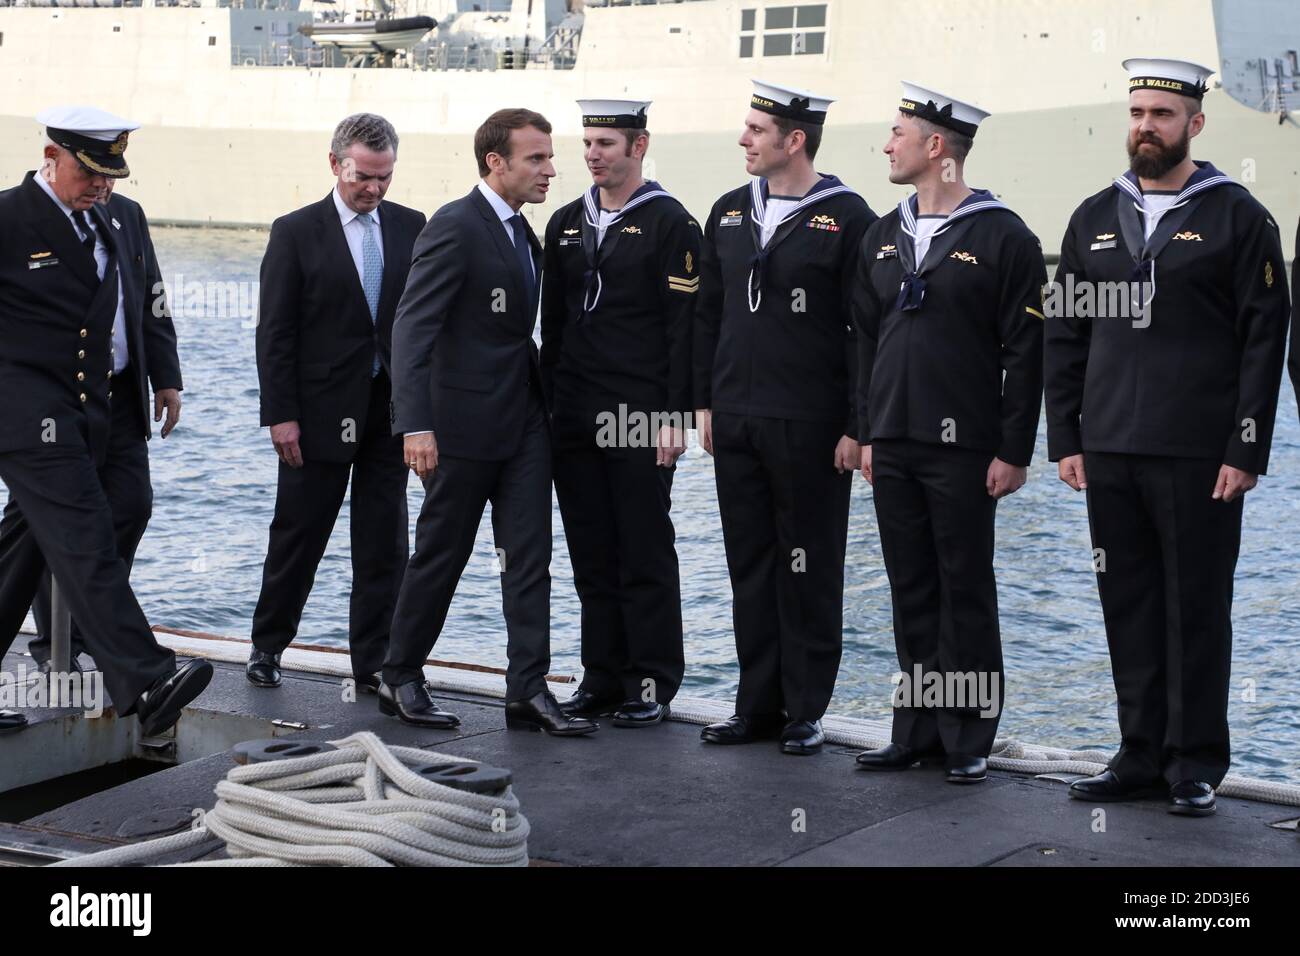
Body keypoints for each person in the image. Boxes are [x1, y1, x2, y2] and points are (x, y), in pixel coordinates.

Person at [1044, 59, 1291, 816]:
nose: (1145, 126)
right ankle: (1138, 755)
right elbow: (1065, 334)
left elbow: (1264, 338)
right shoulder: (1092, 217)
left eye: (1161, 114)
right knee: (1127, 603)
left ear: (1195, 124)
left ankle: (1194, 763)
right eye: (1137, 112)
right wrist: (1066, 439)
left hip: (1198, 455)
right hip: (1110, 448)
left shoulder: (1239, 219)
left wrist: (1245, 449)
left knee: (1196, 609)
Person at [851, 84, 1047, 785]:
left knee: (965, 588)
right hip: (894, 442)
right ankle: (917, 730)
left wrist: (1014, 451)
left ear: (937, 147)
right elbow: (863, 345)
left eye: (898, 132)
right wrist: (865, 433)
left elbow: (1027, 352)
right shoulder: (881, 233)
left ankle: (969, 736)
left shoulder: (1004, 236)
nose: (887, 144)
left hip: (965, 447)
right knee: (910, 587)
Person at [384, 108, 596, 737]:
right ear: (494, 163)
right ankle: (400, 674)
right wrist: (414, 426)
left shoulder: (520, 232)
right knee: (441, 555)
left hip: (524, 421)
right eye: (536, 158)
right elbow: (411, 328)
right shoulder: (455, 225)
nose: (550, 169)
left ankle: (528, 689)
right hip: (458, 428)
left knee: (529, 557)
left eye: (550, 157)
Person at [0, 106, 211, 736]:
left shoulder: (123, 215)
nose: (102, 185)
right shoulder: (8, 220)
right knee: (81, 528)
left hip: (111, 400)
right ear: (51, 156)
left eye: (111, 173)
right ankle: (146, 678)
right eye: (90, 172)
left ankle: (91, 638)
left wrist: (165, 375)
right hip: (31, 406)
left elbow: (150, 297)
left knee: (116, 509)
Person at [694, 81, 877, 755]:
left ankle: (805, 709)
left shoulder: (850, 218)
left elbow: (866, 331)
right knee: (751, 564)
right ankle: (755, 706)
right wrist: (703, 402)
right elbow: (706, 314)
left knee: (809, 565)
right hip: (736, 419)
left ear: (793, 140)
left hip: (810, 423)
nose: (744, 140)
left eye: (755, 130)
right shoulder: (729, 212)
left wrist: (860, 425)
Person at [248, 113, 426, 693]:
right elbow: (275, 333)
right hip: (316, 413)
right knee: (298, 537)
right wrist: (280, 414)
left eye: (385, 177)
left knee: (384, 543)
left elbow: (419, 325)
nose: (374, 189)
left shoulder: (411, 226)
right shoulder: (295, 231)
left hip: (388, 413)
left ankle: (373, 663)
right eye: (363, 178)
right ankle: (268, 647)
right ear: (335, 165)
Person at [541, 98, 699, 727]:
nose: (592, 154)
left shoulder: (670, 224)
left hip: (638, 413)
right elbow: (551, 327)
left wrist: (676, 417)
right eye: (587, 142)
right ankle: (602, 676)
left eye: (606, 142)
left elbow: (685, 330)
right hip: (574, 411)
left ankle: (652, 683)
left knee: (643, 548)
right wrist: (547, 408)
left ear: (639, 146)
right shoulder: (564, 224)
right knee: (590, 551)